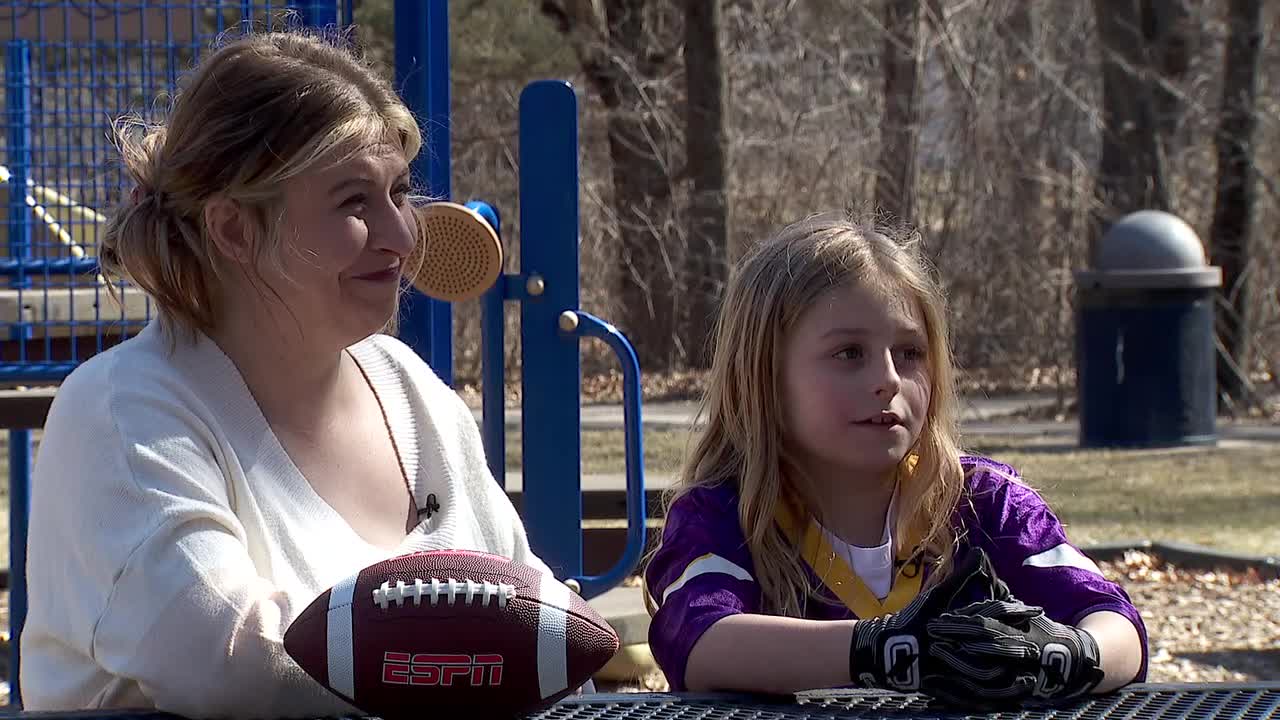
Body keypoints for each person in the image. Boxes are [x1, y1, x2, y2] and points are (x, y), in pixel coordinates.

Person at [21, 29, 555, 718]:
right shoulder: (121, 414)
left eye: (397, 192)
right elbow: (236, 667)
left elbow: (540, 609)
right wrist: (499, 657)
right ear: (234, 230)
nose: (401, 234)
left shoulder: (413, 391)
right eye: (353, 202)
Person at [643, 210, 1148, 705]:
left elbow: (1117, 626)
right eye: (849, 354)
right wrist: (887, 650)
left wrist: (1062, 653)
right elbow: (701, 642)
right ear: (763, 376)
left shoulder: (986, 502)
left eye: (910, 353)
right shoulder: (723, 514)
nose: (888, 378)